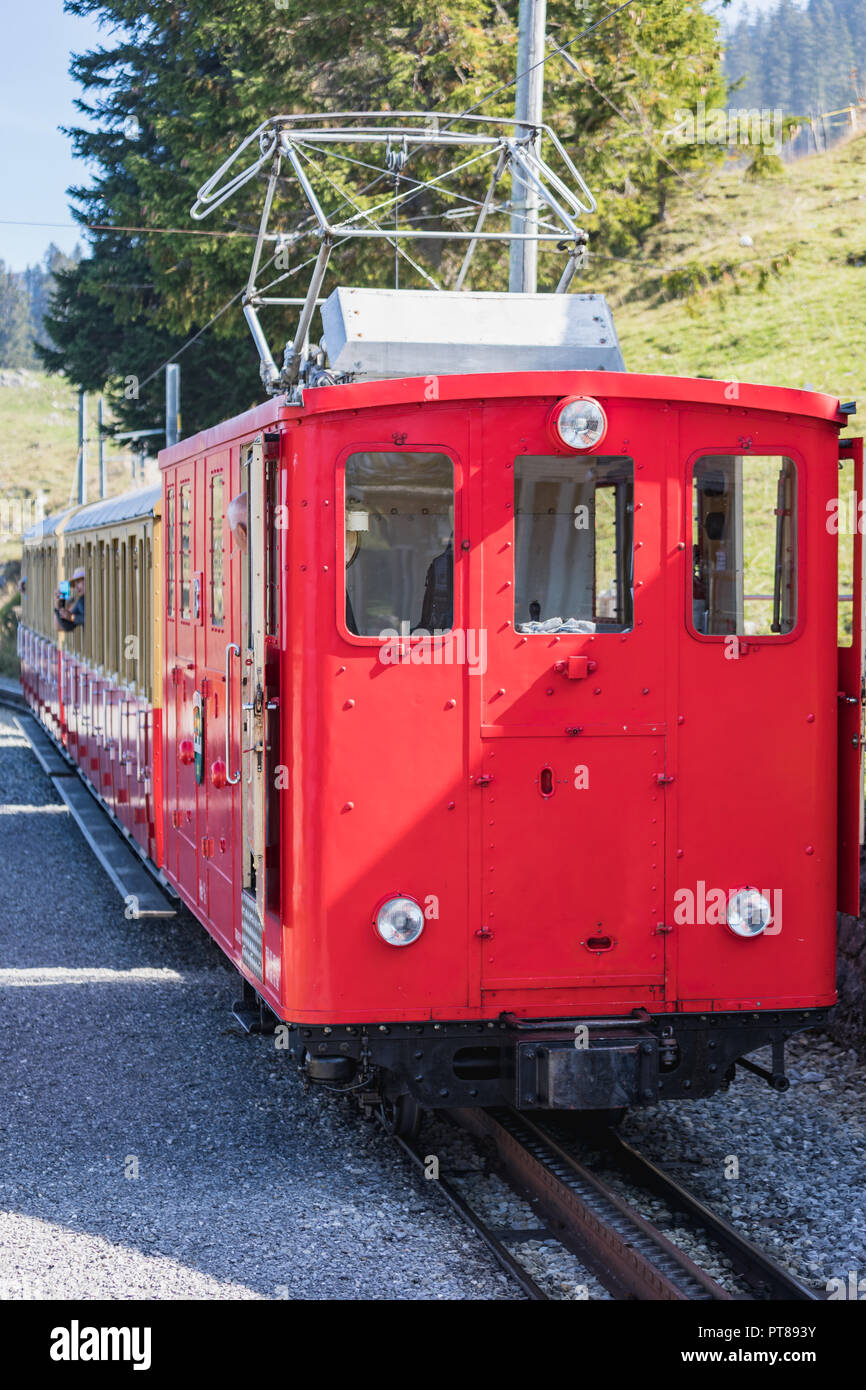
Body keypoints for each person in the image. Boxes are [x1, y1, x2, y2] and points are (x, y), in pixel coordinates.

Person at [55, 568, 85, 632]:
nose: (76, 588)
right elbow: (67, 626)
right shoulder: (81, 601)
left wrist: (72, 617)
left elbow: (90, 619)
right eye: (74, 585)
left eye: (79, 582)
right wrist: (59, 606)